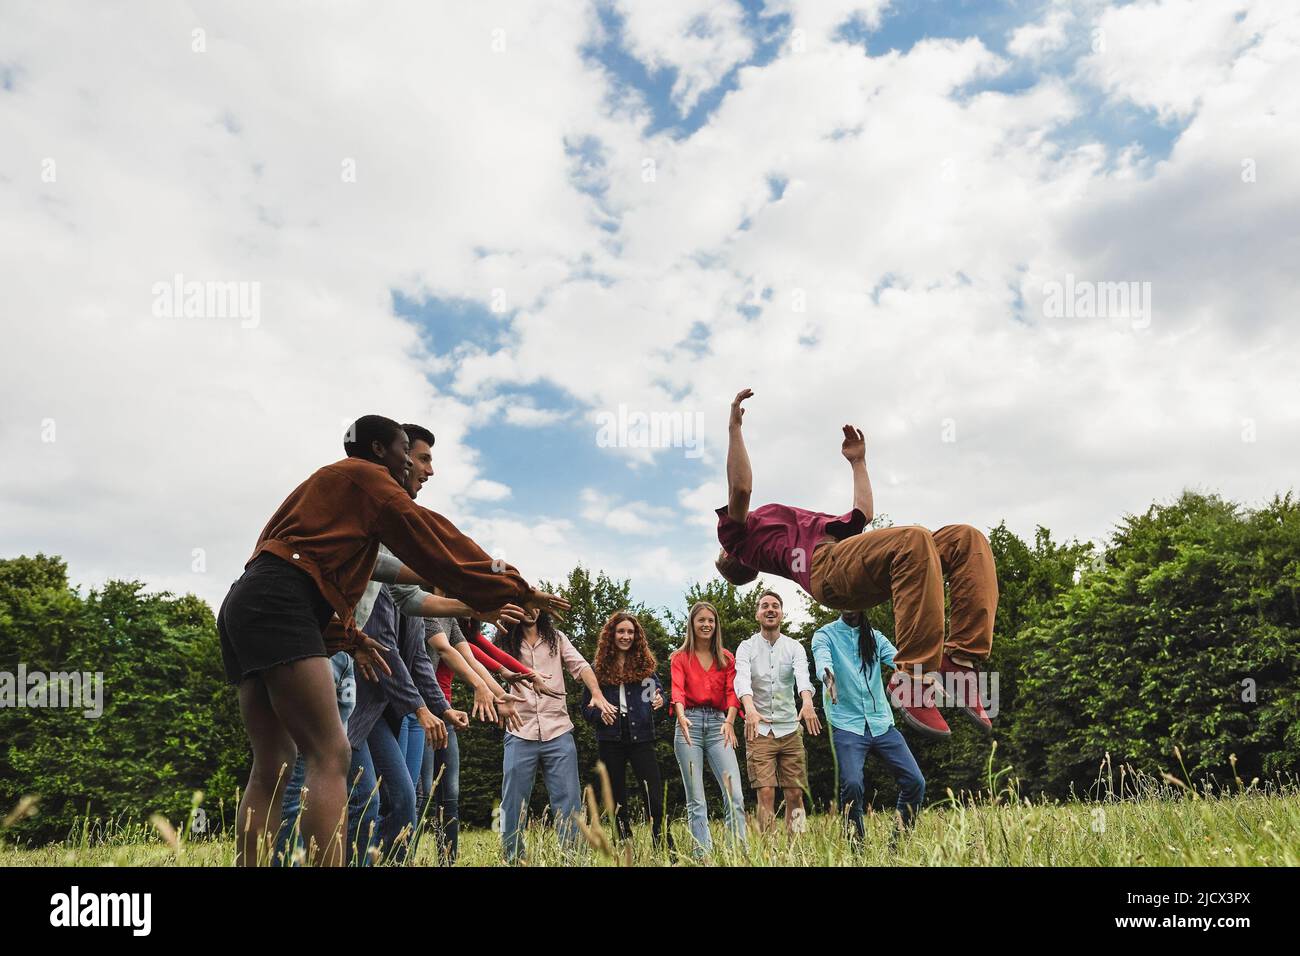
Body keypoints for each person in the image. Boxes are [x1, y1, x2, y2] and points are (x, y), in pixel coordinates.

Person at [217, 414, 568, 866]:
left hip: (245, 604)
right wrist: (512, 586)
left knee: (275, 762)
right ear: (382, 450)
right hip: (280, 604)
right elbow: (435, 539)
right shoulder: (370, 479)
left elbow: (310, 571)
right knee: (330, 752)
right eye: (409, 452)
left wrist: (352, 637)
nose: (419, 467)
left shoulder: (327, 492)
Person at [714, 388, 998, 738]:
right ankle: (912, 679)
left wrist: (858, 462)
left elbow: (863, 513)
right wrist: (734, 428)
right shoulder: (739, 540)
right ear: (732, 553)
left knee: (965, 540)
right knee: (914, 539)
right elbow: (740, 489)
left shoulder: (803, 525)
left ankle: (961, 660)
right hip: (827, 570)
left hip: (857, 563)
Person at [494, 608, 617, 863]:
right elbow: (487, 666)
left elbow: (581, 665)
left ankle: (572, 858)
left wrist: (596, 693)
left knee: (569, 801)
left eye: (535, 604)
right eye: (525, 604)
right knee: (512, 802)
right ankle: (512, 857)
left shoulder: (557, 638)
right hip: (519, 729)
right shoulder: (505, 640)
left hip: (558, 729)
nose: (531, 610)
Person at [812, 611, 925, 843]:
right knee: (852, 785)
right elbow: (822, 660)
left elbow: (899, 661)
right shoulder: (825, 635)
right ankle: (858, 849)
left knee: (915, 781)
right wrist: (828, 677)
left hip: (881, 723)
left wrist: (914, 674)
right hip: (846, 724)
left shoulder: (875, 637)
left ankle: (898, 844)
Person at [733, 590, 822, 833]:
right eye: (765, 606)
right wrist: (749, 708)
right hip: (759, 729)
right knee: (766, 792)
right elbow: (741, 680)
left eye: (775, 605)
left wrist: (806, 701)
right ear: (757, 614)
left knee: (795, 793)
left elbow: (803, 675)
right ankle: (769, 851)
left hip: (790, 729)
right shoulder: (746, 647)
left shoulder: (794, 647)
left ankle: (798, 847)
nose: (770, 609)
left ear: (782, 613)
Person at [581, 612, 671, 848]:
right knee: (617, 797)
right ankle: (623, 845)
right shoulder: (597, 669)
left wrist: (661, 701)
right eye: (621, 631)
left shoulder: (644, 667)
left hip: (641, 737)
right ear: (611, 635)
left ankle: (662, 844)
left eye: (630, 632)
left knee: (653, 794)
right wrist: (600, 714)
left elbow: (656, 697)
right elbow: (586, 709)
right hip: (610, 738)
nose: (626, 636)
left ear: (637, 636)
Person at [669, 600, 747, 855]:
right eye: (701, 620)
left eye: (711, 621)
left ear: (716, 625)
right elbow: (677, 689)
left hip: (718, 725)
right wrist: (680, 715)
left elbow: (732, 693)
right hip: (688, 726)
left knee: (734, 794)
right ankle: (702, 855)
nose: (706, 624)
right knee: (697, 800)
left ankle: (737, 854)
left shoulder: (726, 658)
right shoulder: (680, 658)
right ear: (692, 623)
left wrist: (730, 721)